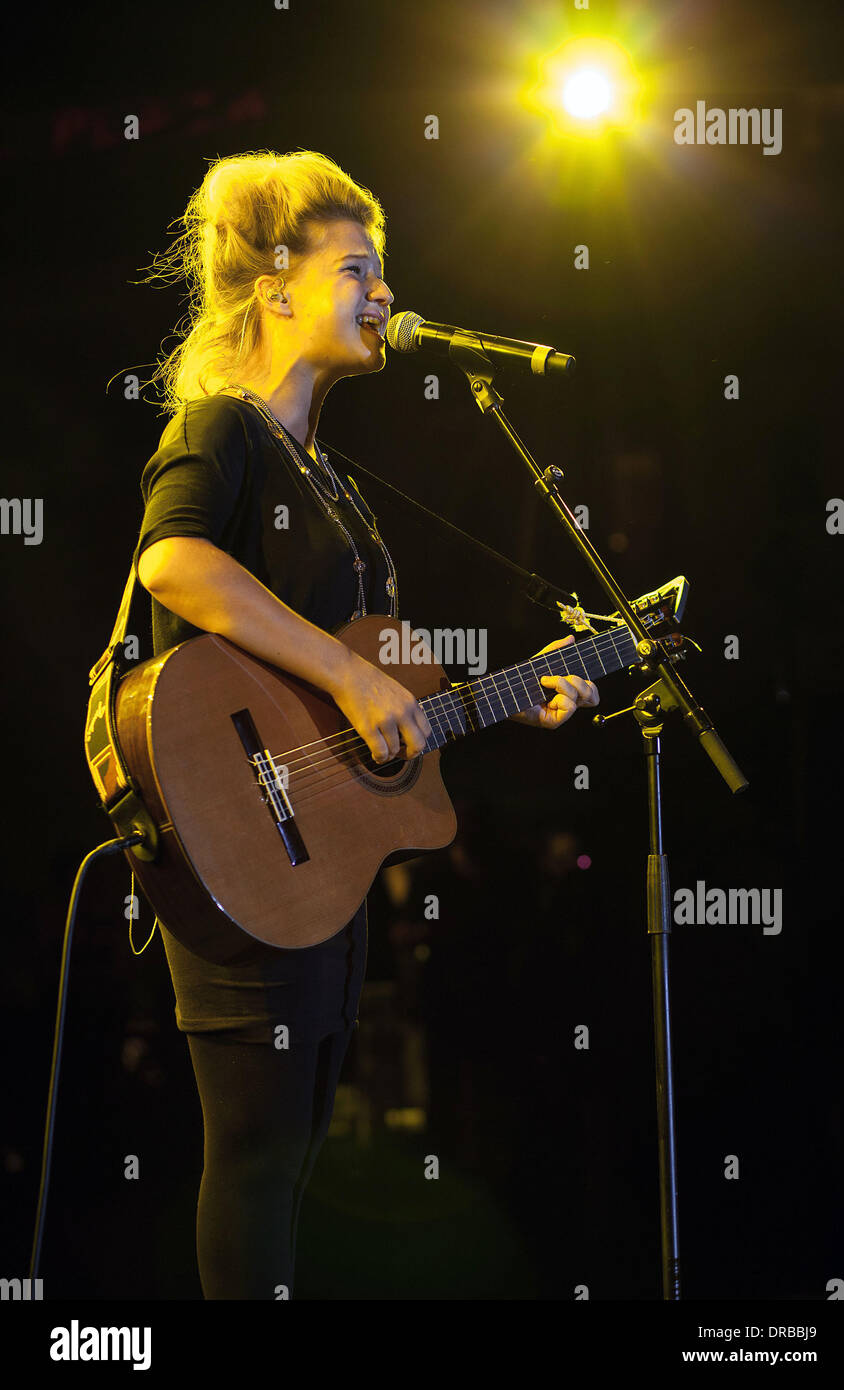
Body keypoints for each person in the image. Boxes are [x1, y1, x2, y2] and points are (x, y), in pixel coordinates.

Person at [131, 149, 599, 1299]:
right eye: (358, 268)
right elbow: (174, 560)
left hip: (317, 859)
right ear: (277, 287)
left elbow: (382, 704)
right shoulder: (222, 428)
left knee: (289, 1161)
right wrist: (349, 683)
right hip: (238, 829)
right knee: (252, 1159)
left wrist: (514, 690)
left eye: (383, 270)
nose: (385, 292)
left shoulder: (332, 478)